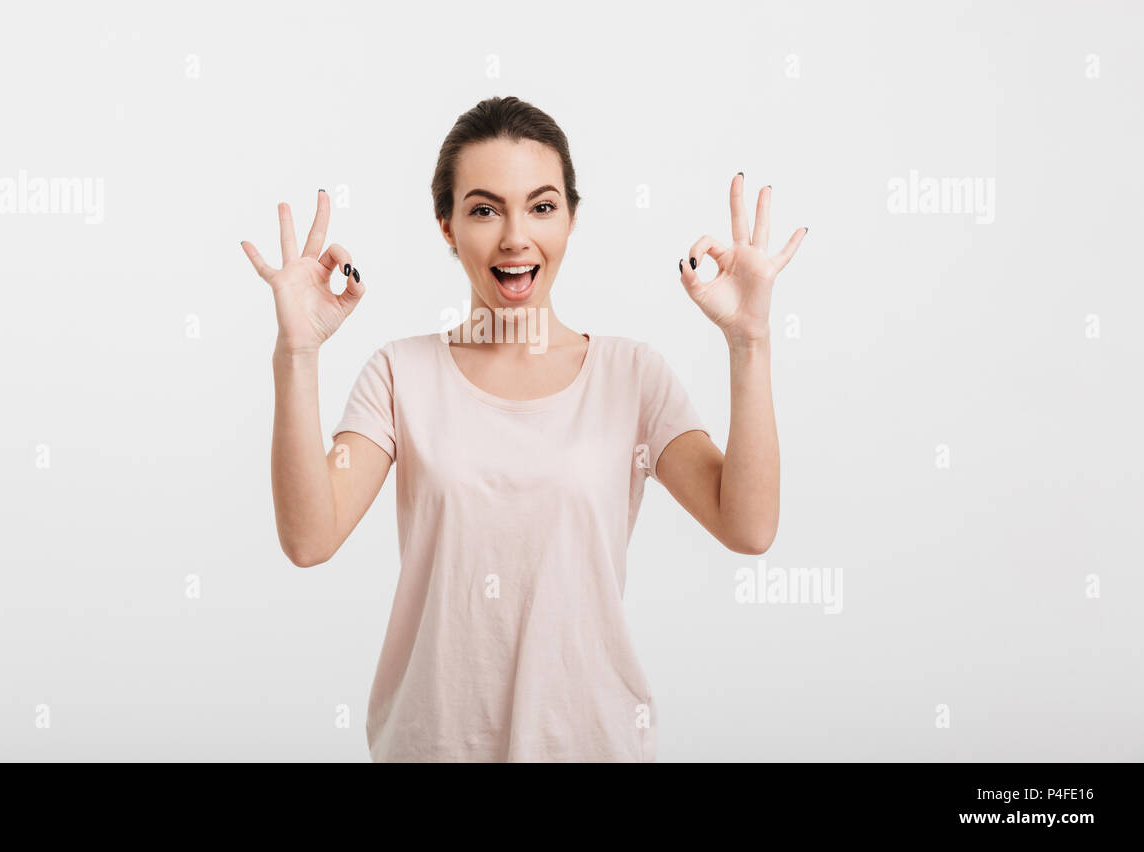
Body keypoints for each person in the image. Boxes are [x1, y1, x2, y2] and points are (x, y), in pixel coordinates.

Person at [241, 96, 807, 762]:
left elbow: (748, 527)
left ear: (571, 218)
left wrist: (751, 340)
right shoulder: (400, 374)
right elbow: (309, 539)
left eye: (541, 206)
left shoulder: (631, 376)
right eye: (484, 209)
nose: (515, 236)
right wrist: (297, 352)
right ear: (447, 227)